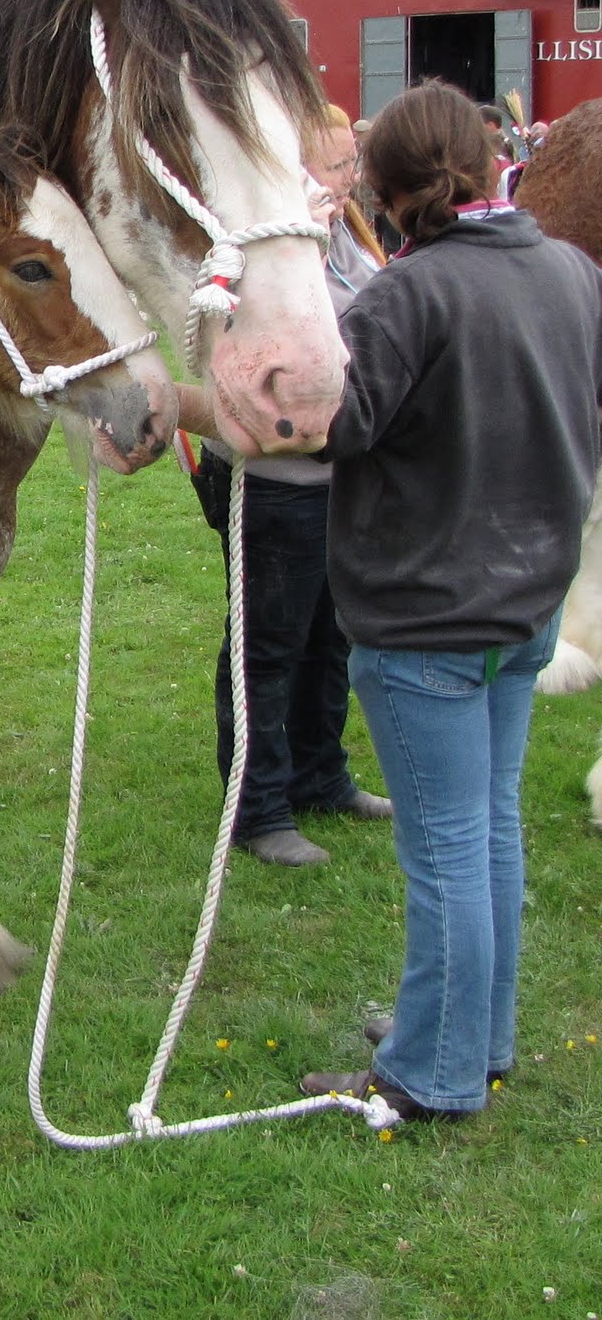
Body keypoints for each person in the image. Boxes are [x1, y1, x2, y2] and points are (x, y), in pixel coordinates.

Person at [299, 80, 602, 1121]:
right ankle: (474, 1033)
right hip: (525, 604)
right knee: (488, 830)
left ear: (381, 192)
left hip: (427, 619)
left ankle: (433, 1072)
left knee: (449, 853)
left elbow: (327, 424)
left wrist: (188, 399)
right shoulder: (569, 270)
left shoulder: (405, 295)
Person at [185, 105, 392, 866]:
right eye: (329, 167)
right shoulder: (259, 251)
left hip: (340, 473)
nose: (344, 182)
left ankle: (320, 774)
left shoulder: (341, 239)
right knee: (267, 646)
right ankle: (258, 806)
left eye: (348, 165)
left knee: (329, 636)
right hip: (273, 478)